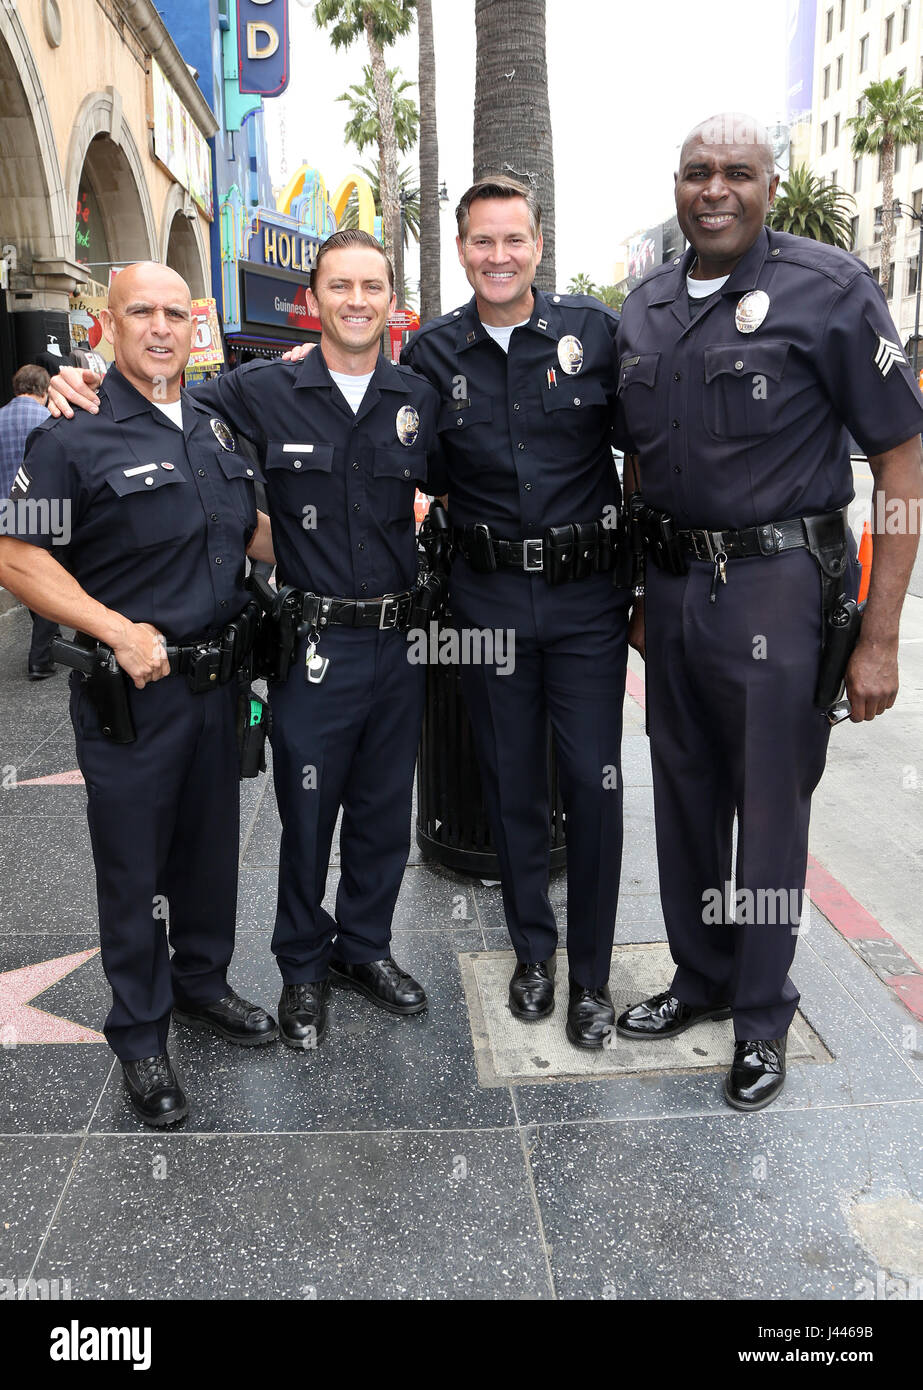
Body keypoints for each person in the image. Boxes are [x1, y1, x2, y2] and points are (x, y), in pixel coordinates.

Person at [48, 231, 443, 1049]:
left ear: (391, 298)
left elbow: (236, 515)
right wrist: (68, 382)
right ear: (314, 299)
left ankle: (363, 950)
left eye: (372, 285)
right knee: (304, 816)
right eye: (340, 285)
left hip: (396, 643)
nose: (357, 301)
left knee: (380, 817)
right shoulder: (254, 391)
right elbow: (134, 410)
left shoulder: (419, 394)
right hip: (308, 647)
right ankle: (301, 970)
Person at [614, 113, 923, 1109]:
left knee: (768, 814)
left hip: (778, 588)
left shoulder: (826, 287)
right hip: (669, 590)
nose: (715, 189)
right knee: (684, 803)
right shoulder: (646, 304)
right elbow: (637, 462)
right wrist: (633, 589)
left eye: (736, 173)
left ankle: (758, 1014)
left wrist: (878, 634)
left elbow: (900, 461)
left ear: (768, 187)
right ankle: (698, 979)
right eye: (697, 171)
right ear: (675, 183)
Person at [0, 262, 279, 1128]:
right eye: (141, 313)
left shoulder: (215, 430)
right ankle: (141, 1035)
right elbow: (16, 556)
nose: (160, 328)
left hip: (219, 685)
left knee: (207, 853)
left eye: (175, 313)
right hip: (133, 696)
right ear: (108, 326)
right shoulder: (70, 437)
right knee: (133, 869)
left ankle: (201, 985)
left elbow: (254, 535)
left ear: (194, 328)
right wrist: (115, 629)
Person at [400, 176, 631, 1049]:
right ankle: (534, 953)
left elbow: (645, 447)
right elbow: (392, 456)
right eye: (481, 241)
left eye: (513, 240)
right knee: (510, 782)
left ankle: (594, 977)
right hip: (487, 597)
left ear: (538, 244)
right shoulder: (430, 356)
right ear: (461, 250)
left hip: (585, 602)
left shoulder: (592, 335)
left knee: (593, 784)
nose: (498, 256)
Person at [0, 364, 60, 677]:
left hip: (5, 510)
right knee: (48, 580)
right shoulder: (48, 420)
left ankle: (52, 640)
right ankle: (40, 658)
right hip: (43, 508)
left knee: (28, 578)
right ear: (44, 388)